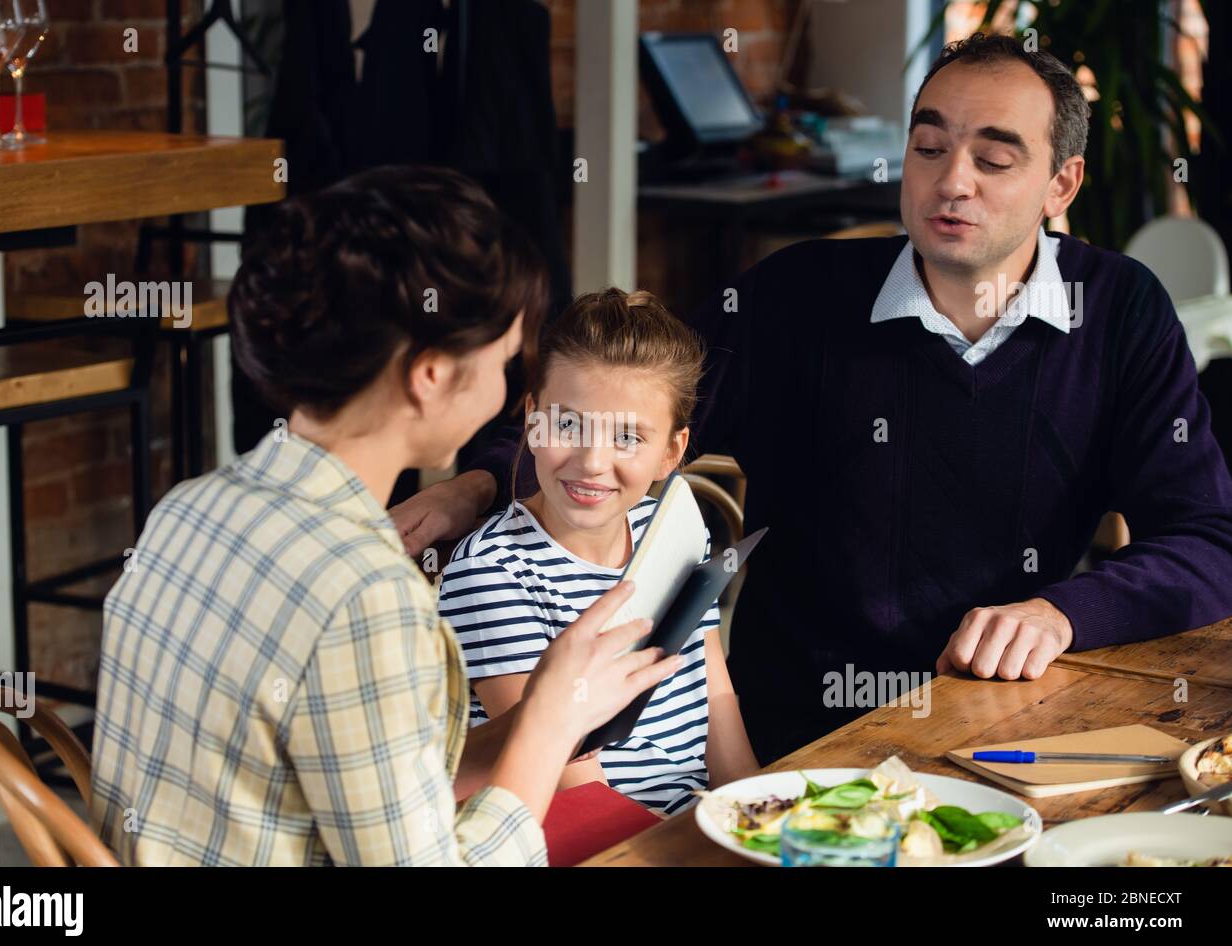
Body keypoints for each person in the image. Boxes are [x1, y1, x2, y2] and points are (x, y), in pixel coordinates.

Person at [391, 33, 1232, 765]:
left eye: (996, 158)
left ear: (1062, 183)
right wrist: (480, 482)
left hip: (1002, 714)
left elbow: (1205, 537)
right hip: (799, 729)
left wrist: (1061, 612)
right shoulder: (794, 295)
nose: (953, 182)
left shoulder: (1119, 309)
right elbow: (624, 410)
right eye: (929, 148)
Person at [88, 167, 683, 865]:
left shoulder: (190, 508)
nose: (502, 391)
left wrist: (547, 711)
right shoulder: (365, 595)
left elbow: (374, 773)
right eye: (501, 362)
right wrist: (550, 727)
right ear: (431, 375)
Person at [437, 289, 760, 815]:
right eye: (568, 424)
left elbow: (713, 690)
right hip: (596, 837)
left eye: (627, 436)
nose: (592, 461)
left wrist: (757, 812)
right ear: (533, 422)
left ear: (671, 453)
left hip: (697, 820)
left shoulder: (673, 526)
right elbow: (577, 789)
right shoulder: (490, 574)